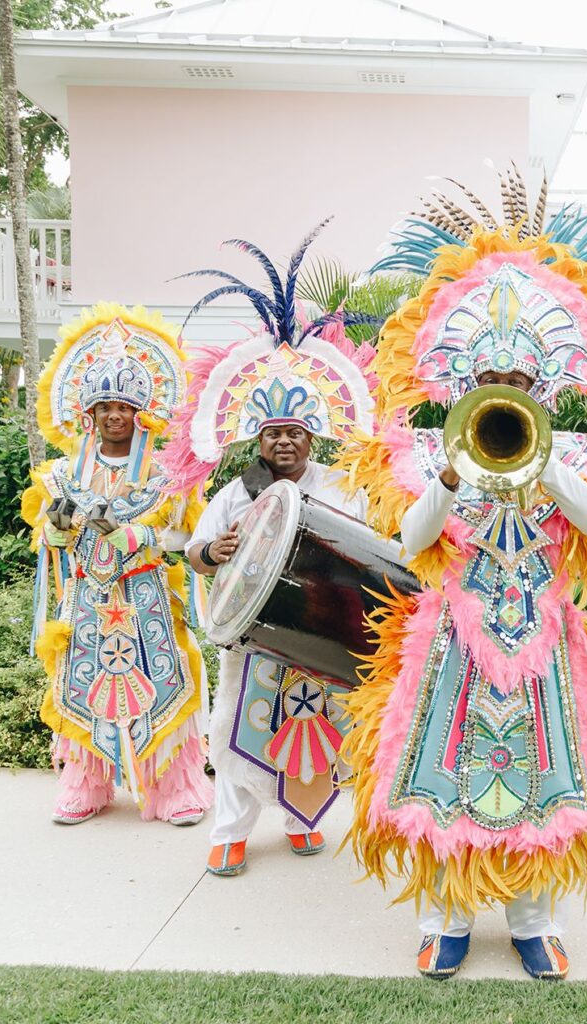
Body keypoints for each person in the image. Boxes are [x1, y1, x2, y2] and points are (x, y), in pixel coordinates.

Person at [334, 171, 587, 981]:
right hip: (453, 638)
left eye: (522, 385)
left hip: (545, 643)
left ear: (543, 387)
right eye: (497, 383)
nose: (508, 393)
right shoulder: (426, 455)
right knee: (443, 772)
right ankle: (444, 919)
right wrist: (452, 476)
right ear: (466, 383)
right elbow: (415, 541)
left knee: (546, 774)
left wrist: (547, 462)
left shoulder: (584, 455)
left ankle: (533, 919)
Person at [158, 231, 376, 877]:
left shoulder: (340, 488)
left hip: (318, 633)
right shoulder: (234, 491)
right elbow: (192, 552)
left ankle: (301, 821)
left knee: (314, 732)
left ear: (310, 438)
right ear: (259, 436)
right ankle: (229, 833)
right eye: (274, 432)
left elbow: (362, 552)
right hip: (253, 639)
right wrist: (212, 553)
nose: (284, 441)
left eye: (295, 432)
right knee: (240, 731)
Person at [21, 304, 211, 826]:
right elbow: (50, 543)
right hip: (86, 598)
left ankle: (175, 789)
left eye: (123, 407)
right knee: (83, 685)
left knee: (163, 682)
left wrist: (131, 533)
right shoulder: (60, 475)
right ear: (88, 413)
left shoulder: (163, 474)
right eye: (104, 406)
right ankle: (87, 785)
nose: (113, 416)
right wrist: (58, 527)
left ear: (140, 413)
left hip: (145, 595)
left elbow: (183, 535)